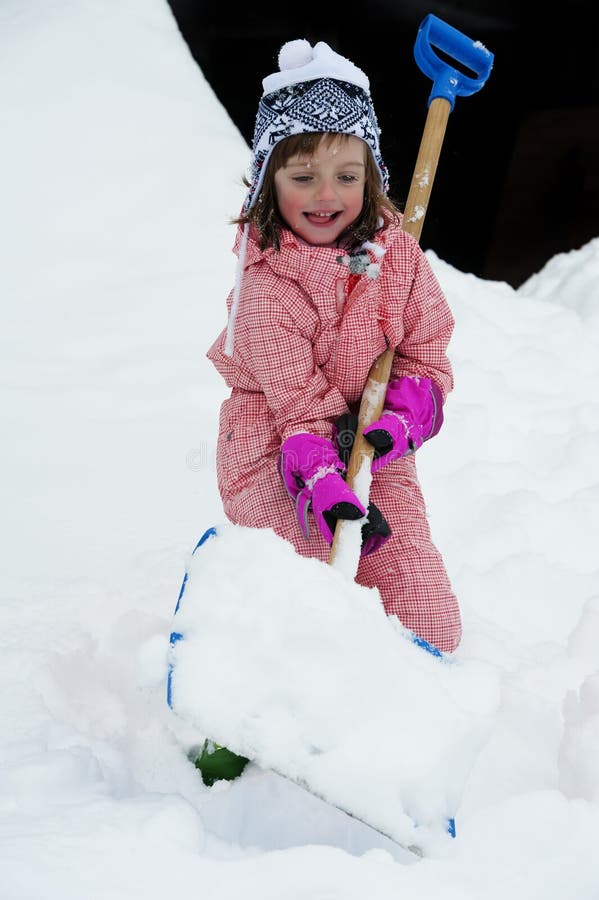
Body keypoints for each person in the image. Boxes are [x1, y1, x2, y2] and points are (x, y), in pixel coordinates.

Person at [200, 38, 461, 783]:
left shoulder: (395, 257)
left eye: (347, 173)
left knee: (429, 622)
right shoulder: (265, 283)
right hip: (277, 443)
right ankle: (244, 712)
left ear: (372, 175)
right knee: (306, 596)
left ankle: (379, 731)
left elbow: (427, 350)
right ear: (266, 181)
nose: (326, 192)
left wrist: (405, 413)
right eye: (302, 172)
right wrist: (321, 477)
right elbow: (297, 410)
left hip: (374, 446)